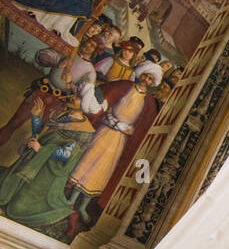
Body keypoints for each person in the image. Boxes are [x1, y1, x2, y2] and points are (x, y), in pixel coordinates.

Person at [0, 83, 103, 231]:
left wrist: (42, 149)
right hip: (33, 164)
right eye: (74, 94)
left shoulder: (85, 132)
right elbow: (39, 134)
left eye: (78, 97)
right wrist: (35, 116)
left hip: (47, 176)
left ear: (86, 104)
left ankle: (67, 215)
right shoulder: (61, 115)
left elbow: (67, 156)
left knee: (17, 208)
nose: (71, 97)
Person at [65, 62, 162, 235]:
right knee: (87, 163)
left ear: (152, 82)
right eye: (146, 76)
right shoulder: (124, 86)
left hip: (119, 143)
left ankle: (83, 207)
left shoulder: (149, 103)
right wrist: (118, 125)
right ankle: (70, 201)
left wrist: (127, 131)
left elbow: (142, 129)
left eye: (150, 79)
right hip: (105, 132)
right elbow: (106, 108)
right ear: (141, 75)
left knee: (101, 173)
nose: (146, 80)